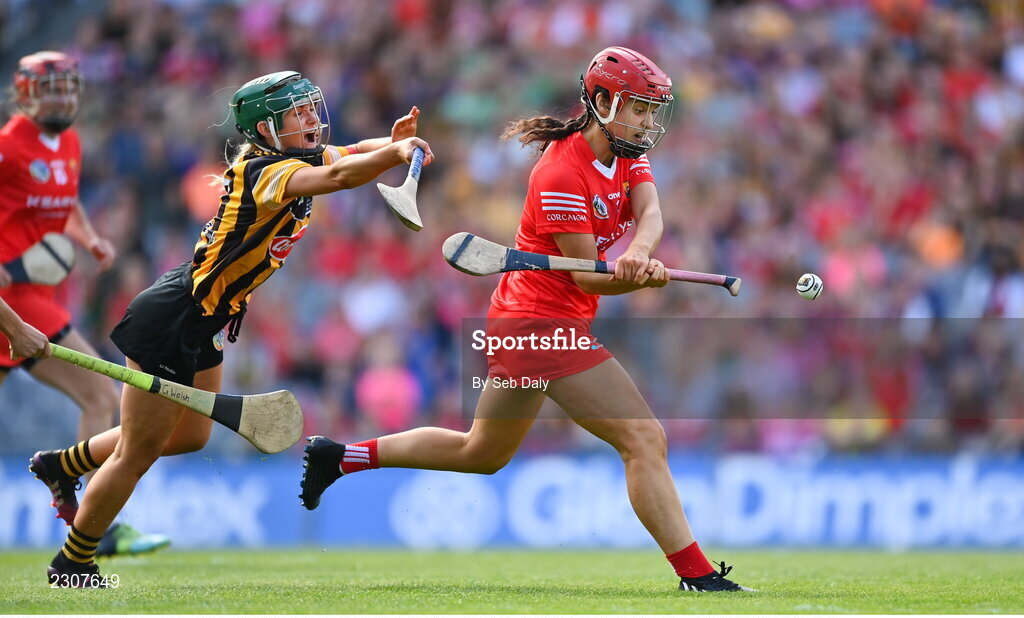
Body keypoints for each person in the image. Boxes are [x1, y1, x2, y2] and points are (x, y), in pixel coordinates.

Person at [301, 47, 751, 593]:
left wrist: (642, 252)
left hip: (533, 320)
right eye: (639, 110)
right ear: (604, 102)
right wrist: (636, 275)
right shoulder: (561, 171)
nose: (649, 123)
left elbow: (649, 212)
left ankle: (339, 456)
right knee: (642, 437)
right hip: (539, 325)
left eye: (653, 112)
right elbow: (588, 275)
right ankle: (697, 576)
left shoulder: (627, 152)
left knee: (481, 452)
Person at [41, 70, 433, 587]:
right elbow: (338, 178)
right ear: (266, 130)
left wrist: (395, 144)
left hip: (204, 321)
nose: (312, 119)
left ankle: (64, 464)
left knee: (188, 435)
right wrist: (393, 157)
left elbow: (351, 152)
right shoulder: (266, 174)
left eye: (312, 107)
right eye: (298, 113)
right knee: (138, 450)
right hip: (174, 318)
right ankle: (73, 562)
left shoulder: (298, 157)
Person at [0, 51, 169, 558]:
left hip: (35, 298)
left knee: (100, 397)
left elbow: (63, 198)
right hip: (10, 298)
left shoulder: (69, 143)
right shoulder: (7, 148)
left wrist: (89, 236)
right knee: (101, 396)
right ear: (25, 93)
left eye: (69, 88)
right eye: (51, 89)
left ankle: (92, 526)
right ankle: (92, 525)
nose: (63, 98)